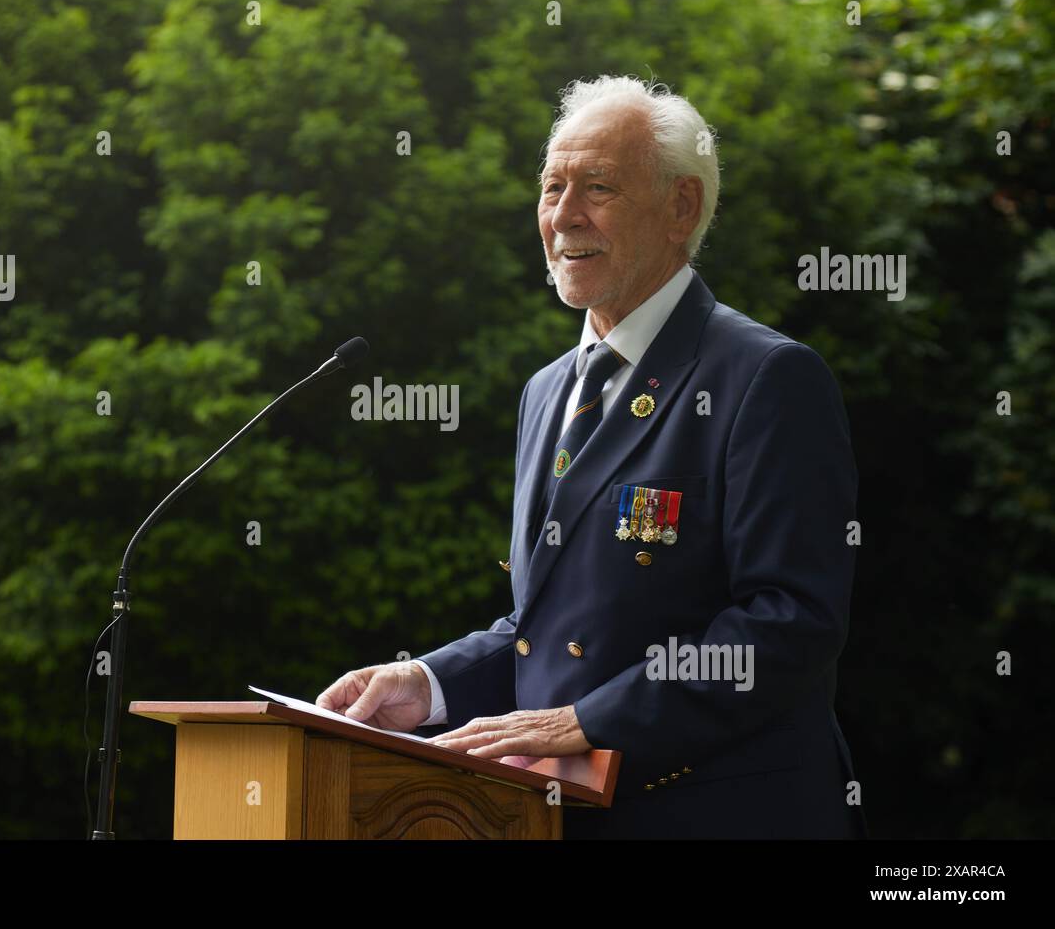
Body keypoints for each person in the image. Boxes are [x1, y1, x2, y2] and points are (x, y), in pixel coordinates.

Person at [317, 75, 865, 839]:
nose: (564, 216)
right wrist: (430, 681)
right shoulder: (546, 391)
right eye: (551, 188)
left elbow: (788, 623)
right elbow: (553, 624)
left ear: (682, 207)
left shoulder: (767, 377)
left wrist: (590, 720)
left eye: (597, 187)